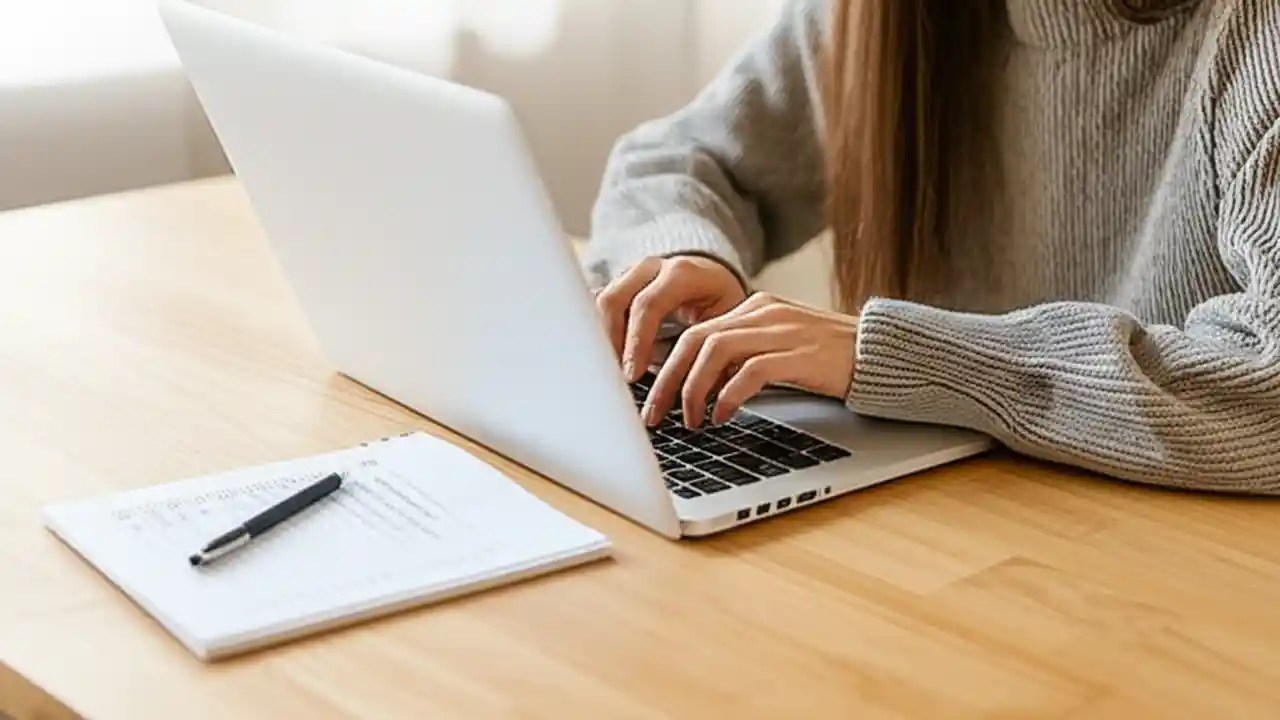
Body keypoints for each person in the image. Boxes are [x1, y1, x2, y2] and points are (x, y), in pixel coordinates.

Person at [583, 0, 1280, 493]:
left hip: (1168, 585)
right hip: (947, 541)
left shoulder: (1254, 32)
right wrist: (693, 256)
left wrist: (894, 355)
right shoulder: (888, 18)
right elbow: (674, 163)